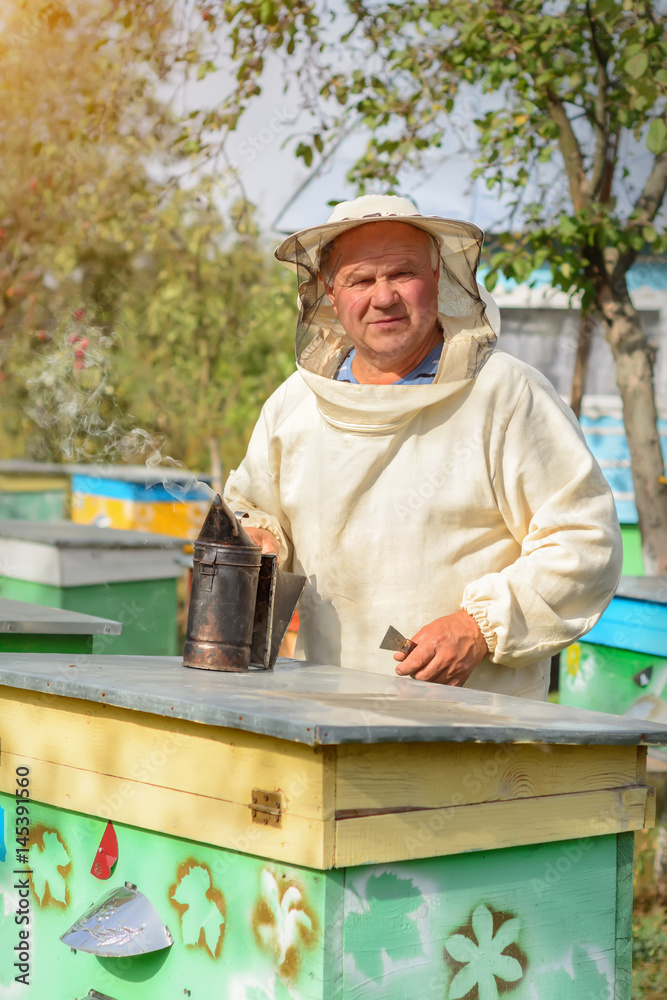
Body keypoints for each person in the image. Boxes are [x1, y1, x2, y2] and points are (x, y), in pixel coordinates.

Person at [223, 194, 622, 699]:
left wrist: (478, 627)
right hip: (326, 713)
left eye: (402, 274)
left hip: (474, 732)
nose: (383, 297)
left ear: (439, 279)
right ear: (329, 292)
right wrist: (259, 541)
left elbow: (583, 539)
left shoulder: (505, 394)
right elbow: (248, 508)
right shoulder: (294, 404)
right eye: (360, 280)